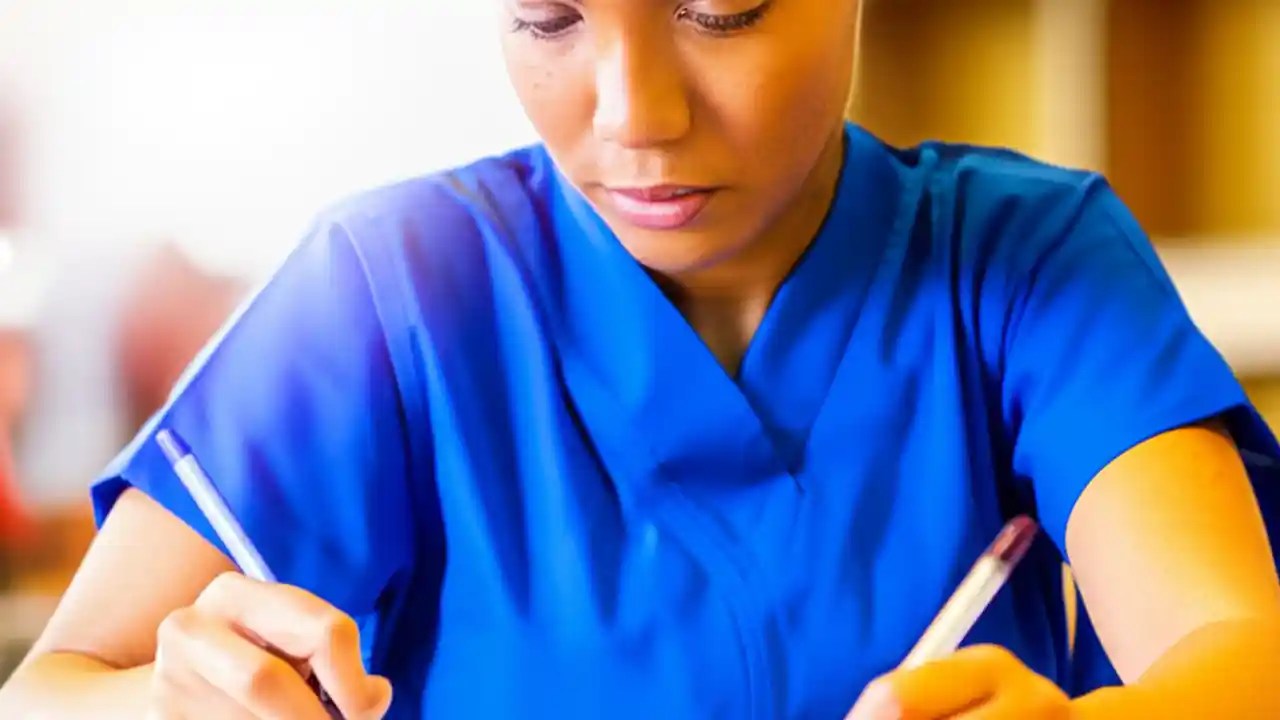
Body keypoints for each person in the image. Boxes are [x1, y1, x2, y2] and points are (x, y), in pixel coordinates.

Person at [3, 1, 1280, 717]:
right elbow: (49, 693)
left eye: (718, 11)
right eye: (547, 19)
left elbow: (1243, 652)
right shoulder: (386, 293)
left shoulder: (1020, 260)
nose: (632, 116)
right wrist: (164, 704)